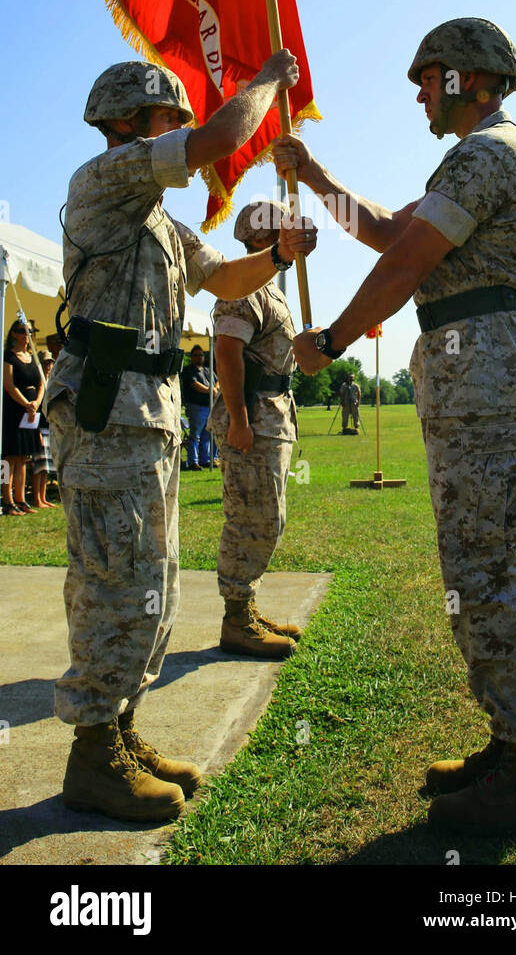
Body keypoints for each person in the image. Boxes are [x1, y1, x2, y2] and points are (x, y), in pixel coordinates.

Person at [274, 17, 516, 836]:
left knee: (495, 567)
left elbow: (404, 264)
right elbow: (385, 230)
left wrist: (330, 340)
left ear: (467, 78)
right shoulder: (477, 156)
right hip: (481, 376)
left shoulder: (489, 153)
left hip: (491, 376)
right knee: (479, 566)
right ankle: (511, 743)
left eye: (427, 76)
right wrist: (316, 172)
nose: (416, 92)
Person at [45, 53, 315, 824]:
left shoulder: (161, 222)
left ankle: (122, 733)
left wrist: (278, 257)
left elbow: (227, 281)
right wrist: (270, 77)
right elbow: (223, 133)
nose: (183, 131)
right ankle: (92, 754)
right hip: (108, 410)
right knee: (113, 579)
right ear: (128, 124)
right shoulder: (102, 183)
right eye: (170, 117)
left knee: (154, 584)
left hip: (149, 410)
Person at [209, 199, 316, 659]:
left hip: (273, 415)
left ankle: (246, 607)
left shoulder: (270, 286)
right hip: (251, 419)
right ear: (260, 235)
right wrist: (239, 421)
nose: (290, 235)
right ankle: (237, 620)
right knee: (251, 518)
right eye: (281, 228)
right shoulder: (243, 285)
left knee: (268, 518)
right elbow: (227, 353)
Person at [2, 319, 44, 515]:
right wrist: (26, 404)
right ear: (13, 334)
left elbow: (42, 383)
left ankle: (21, 499)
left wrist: (36, 402)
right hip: (14, 410)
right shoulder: (8, 357)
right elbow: (9, 385)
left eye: (29, 331)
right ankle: (8, 500)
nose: (26, 335)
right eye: (22, 331)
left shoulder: (32, 357)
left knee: (23, 457)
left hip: (31, 411)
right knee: (9, 458)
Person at [181, 345, 216, 469]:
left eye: (201, 355)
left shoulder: (208, 370)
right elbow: (194, 384)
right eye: (196, 355)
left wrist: (215, 388)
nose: (199, 357)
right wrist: (210, 390)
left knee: (207, 434)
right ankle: (192, 461)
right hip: (196, 406)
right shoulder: (188, 370)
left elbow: (217, 381)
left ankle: (205, 459)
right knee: (195, 435)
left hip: (209, 406)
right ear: (191, 357)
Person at [31, 350, 57, 509]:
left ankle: (43, 496)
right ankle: (36, 498)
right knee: (39, 465)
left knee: (46, 466)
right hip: (39, 426)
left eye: (51, 362)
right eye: (46, 362)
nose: (49, 365)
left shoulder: (51, 381)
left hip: (50, 426)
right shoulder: (38, 383)